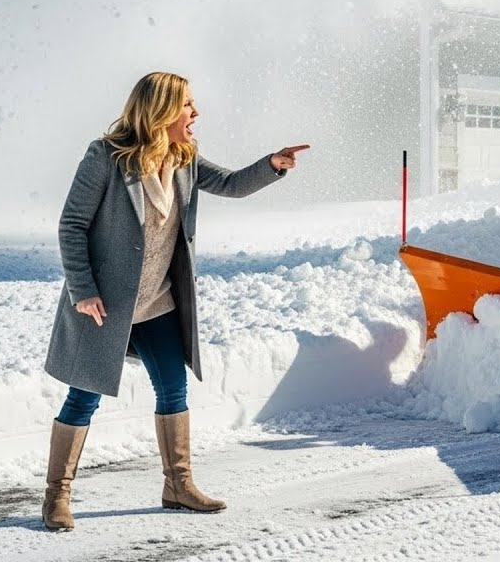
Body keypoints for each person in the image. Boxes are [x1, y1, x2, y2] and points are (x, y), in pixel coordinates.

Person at [41, 71, 309, 531]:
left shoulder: (184, 157)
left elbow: (231, 184)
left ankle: (178, 486)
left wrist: (273, 164)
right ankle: (57, 497)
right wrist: (83, 291)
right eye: (187, 105)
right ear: (162, 110)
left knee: (173, 388)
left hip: (158, 303)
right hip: (104, 305)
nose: (196, 113)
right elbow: (71, 226)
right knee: (83, 397)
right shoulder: (105, 157)